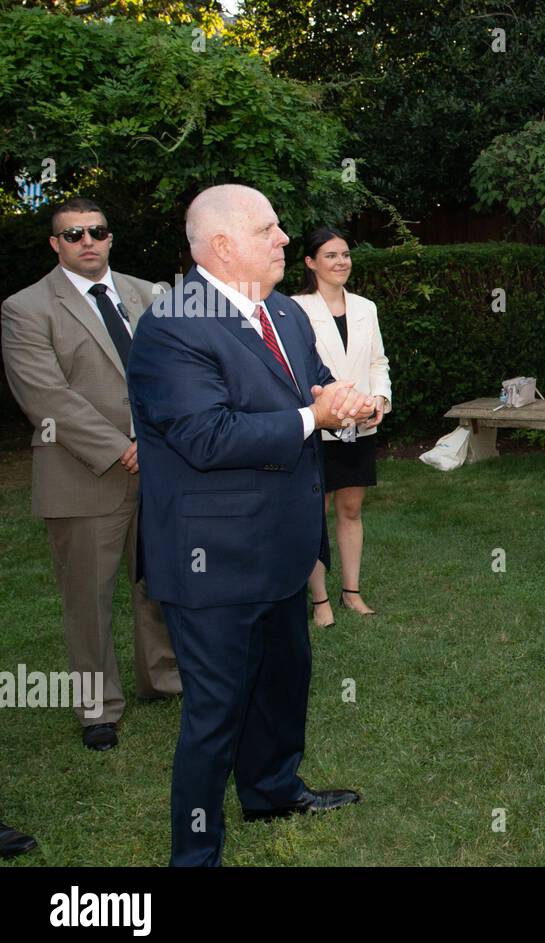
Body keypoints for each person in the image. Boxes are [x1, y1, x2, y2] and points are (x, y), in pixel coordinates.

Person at [127, 184, 371, 866]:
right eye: (269, 229)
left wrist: (347, 403)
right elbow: (206, 437)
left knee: (282, 684)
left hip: (284, 548)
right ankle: (196, 854)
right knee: (216, 715)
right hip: (212, 560)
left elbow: (316, 384)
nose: (284, 239)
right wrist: (311, 420)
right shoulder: (172, 323)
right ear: (223, 245)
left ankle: (272, 790)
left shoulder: (286, 314)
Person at [1, 197, 180, 751]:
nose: (87, 242)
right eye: (73, 234)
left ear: (109, 237)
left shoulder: (151, 294)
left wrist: (159, 438)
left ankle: (164, 679)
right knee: (88, 598)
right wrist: (123, 447)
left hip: (160, 470)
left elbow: (179, 370)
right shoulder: (26, 307)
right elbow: (43, 395)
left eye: (96, 232)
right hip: (83, 474)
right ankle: (97, 706)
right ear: (55, 244)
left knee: (159, 582)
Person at [292, 228, 392, 627]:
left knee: (351, 509)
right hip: (317, 427)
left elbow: (378, 362)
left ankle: (351, 591)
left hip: (361, 425)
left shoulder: (366, 307)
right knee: (315, 513)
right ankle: (319, 601)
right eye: (330, 255)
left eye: (346, 254)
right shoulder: (293, 309)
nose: (341, 262)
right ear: (310, 262)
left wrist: (379, 400)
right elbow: (296, 371)